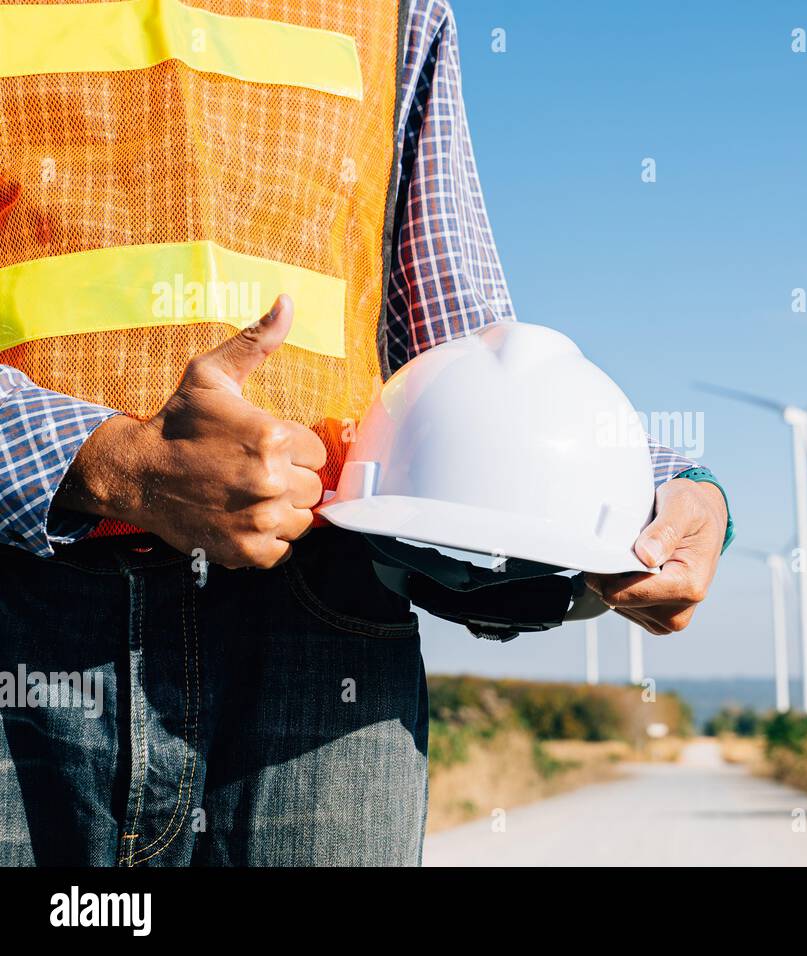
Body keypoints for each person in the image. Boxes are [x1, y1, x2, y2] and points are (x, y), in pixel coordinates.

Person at [0, 0, 731, 866]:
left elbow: (464, 350)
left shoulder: (398, 10)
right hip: (24, 606)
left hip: (320, 620)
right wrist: (112, 463)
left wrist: (665, 489)